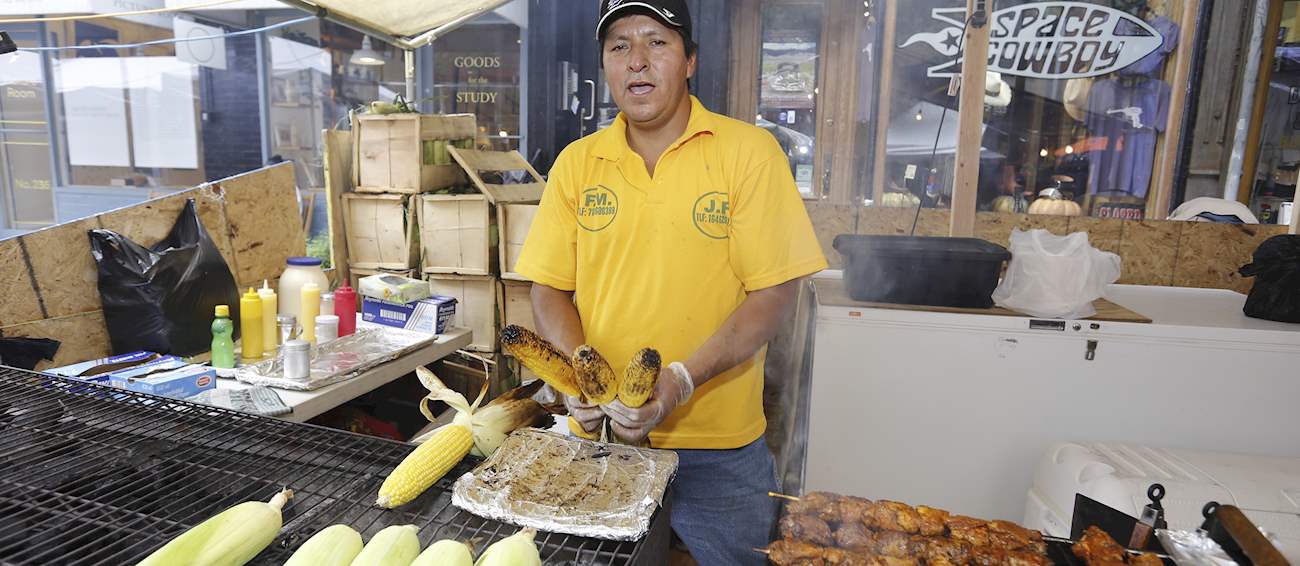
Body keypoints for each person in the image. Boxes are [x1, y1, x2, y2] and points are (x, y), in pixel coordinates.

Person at [514, 0, 827, 562]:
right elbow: (549, 287)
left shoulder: (748, 154)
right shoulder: (577, 164)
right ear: (604, 67)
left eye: (656, 42)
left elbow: (776, 293)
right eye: (619, 47)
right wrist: (573, 377)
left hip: (720, 446)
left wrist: (682, 379)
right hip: (603, 439)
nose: (637, 60)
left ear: (690, 62)